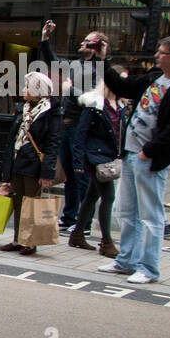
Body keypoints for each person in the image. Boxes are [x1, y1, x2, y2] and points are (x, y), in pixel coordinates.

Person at [98, 36, 170, 284]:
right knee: (126, 211)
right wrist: (104, 61)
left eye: (162, 52)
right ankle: (126, 261)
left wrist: (148, 151)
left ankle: (149, 268)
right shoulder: (155, 77)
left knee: (151, 216)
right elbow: (124, 87)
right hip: (132, 153)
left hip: (150, 158)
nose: (157, 55)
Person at [39, 20, 108, 232]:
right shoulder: (75, 65)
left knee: (82, 176)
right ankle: (69, 218)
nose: (82, 43)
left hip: (82, 127)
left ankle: (83, 222)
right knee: (69, 175)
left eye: (88, 41)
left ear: (98, 46)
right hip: (66, 125)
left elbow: (94, 99)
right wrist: (45, 39)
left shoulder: (101, 70)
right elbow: (53, 61)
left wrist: (71, 89)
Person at [0, 71, 59, 257]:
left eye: (27, 86)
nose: (24, 89)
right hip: (17, 161)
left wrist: (47, 173)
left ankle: (30, 242)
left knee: (31, 204)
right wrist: (6, 170)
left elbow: (52, 143)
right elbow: (12, 138)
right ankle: (17, 238)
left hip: (34, 165)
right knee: (18, 202)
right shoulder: (23, 108)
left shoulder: (50, 112)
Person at [69, 70, 127, 257]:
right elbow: (80, 135)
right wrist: (78, 162)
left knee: (92, 195)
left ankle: (77, 234)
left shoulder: (122, 105)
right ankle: (106, 242)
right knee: (108, 197)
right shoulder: (95, 104)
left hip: (110, 156)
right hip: (96, 157)